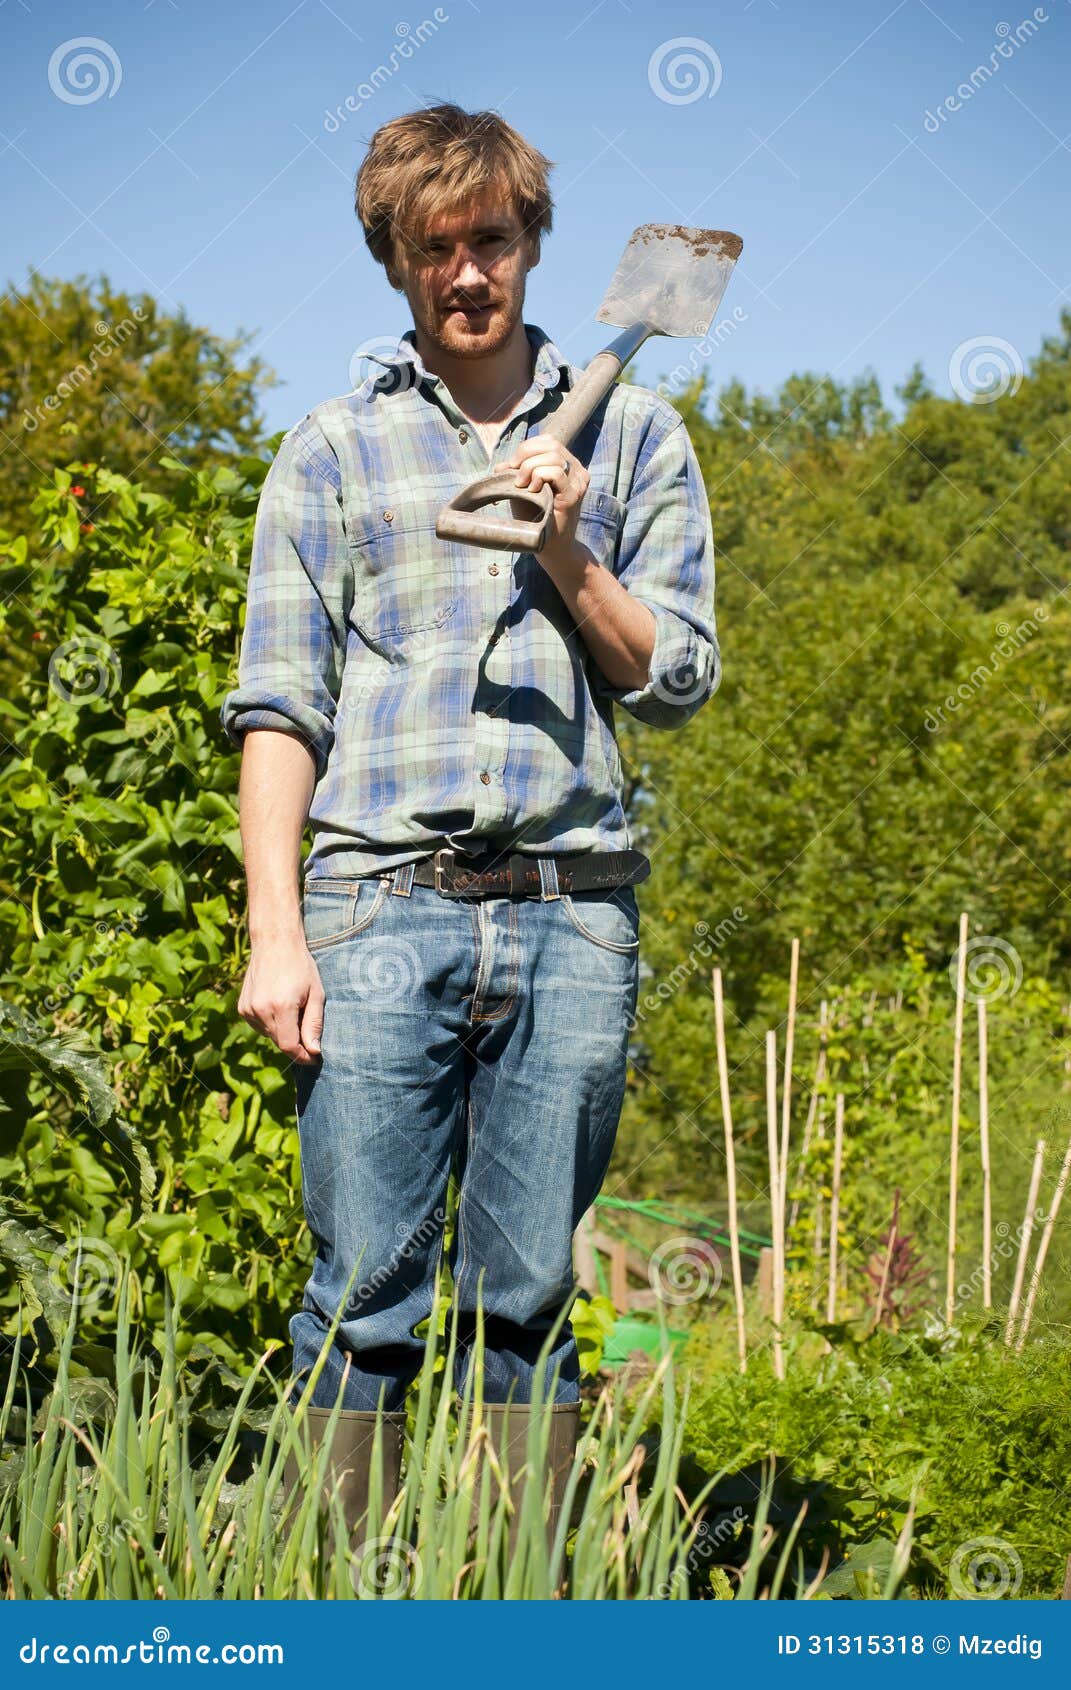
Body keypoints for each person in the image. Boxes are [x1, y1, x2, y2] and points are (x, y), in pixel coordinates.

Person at [220, 102, 720, 1546]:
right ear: (393, 260)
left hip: (574, 912)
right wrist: (277, 932)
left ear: (530, 244)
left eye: (490, 239)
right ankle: (336, 1619)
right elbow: (277, 710)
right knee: (368, 1294)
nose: (466, 273)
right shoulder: (330, 453)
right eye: (432, 247)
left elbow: (676, 678)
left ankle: (520, 1613)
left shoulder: (632, 438)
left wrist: (568, 544)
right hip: (379, 908)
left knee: (529, 1303)